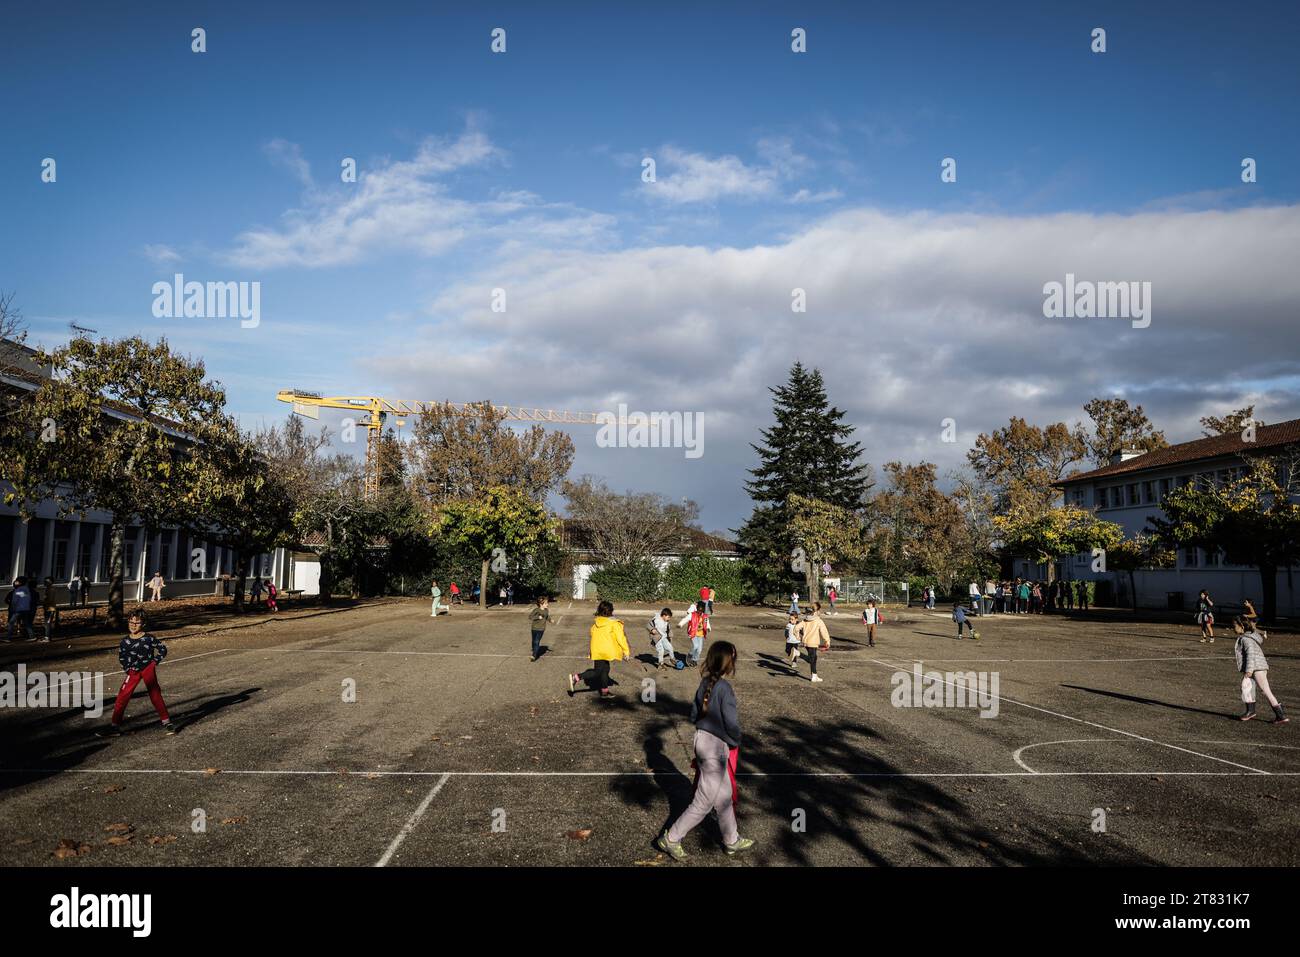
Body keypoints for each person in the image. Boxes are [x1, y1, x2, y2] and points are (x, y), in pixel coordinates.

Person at [655, 640, 754, 861]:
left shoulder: (705, 682)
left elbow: (693, 714)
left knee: (724, 796)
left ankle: (732, 840)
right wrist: (736, 739)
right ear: (729, 662)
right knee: (703, 802)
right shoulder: (725, 688)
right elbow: (731, 723)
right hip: (715, 747)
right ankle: (671, 838)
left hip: (702, 740)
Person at [96, 611, 177, 736]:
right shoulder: (124, 641)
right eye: (131, 622)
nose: (133, 625)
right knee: (122, 697)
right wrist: (127, 669)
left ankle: (167, 722)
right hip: (133, 671)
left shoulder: (149, 638)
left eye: (137, 622)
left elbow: (162, 649)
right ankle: (114, 726)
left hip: (147, 669)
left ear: (143, 624)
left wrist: (154, 662)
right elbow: (122, 657)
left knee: (155, 695)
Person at [567, 600, 629, 699]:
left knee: (605, 669)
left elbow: (592, 632)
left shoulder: (596, 622)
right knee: (598, 671)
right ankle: (576, 677)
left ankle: (605, 692)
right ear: (611, 611)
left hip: (596, 649)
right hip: (606, 651)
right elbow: (621, 638)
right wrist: (626, 651)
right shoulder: (614, 623)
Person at [1234, 617, 1287, 723]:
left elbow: (1250, 655)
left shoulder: (1246, 639)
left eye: (1235, 626)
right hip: (1257, 667)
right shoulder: (1248, 637)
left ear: (1242, 626)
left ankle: (1280, 715)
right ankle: (1250, 711)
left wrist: (1249, 670)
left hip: (1256, 667)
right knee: (1247, 688)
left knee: (1266, 691)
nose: (1233, 628)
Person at [796, 607, 830, 683]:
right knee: (812, 659)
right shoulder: (818, 621)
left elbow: (796, 628)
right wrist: (827, 641)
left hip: (806, 642)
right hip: (813, 643)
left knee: (814, 658)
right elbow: (824, 631)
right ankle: (798, 653)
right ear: (814, 613)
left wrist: (797, 636)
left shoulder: (804, 621)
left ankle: (814, 675)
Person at [5, 577, 35, 642]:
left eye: (16, 581)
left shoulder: (19, 589)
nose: (15, 581)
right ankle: (32, 636)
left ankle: (8, 638)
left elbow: (16, 600)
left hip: (19, 609)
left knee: (11, 622)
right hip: (25, 609)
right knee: (27, 623)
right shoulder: (25, 589)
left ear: (20, 582)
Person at [528, 595, 551, 662]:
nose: (547, 604)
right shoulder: (536, 610)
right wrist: (537, 617)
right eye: (546, 603)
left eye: (547, 603)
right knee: (533, 641)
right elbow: (530, 617)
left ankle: (534, 655)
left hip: (541, 629)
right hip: (534, 628)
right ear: (541, 604)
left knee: (537, 641)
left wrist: (550, 620)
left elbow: (547, 616)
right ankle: (534, 649)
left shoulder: (546, 610)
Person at [40, 576, 59, 642]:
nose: (45, 582)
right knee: (47, 623)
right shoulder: (48, 589)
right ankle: (47, 636)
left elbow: (50, 600)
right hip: (48, 608)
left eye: (47, 581)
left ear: (51, 582)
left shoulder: (51, 589)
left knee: (47, 623)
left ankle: (47, 637)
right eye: (45, 581)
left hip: (50, 609)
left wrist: (41, 602)